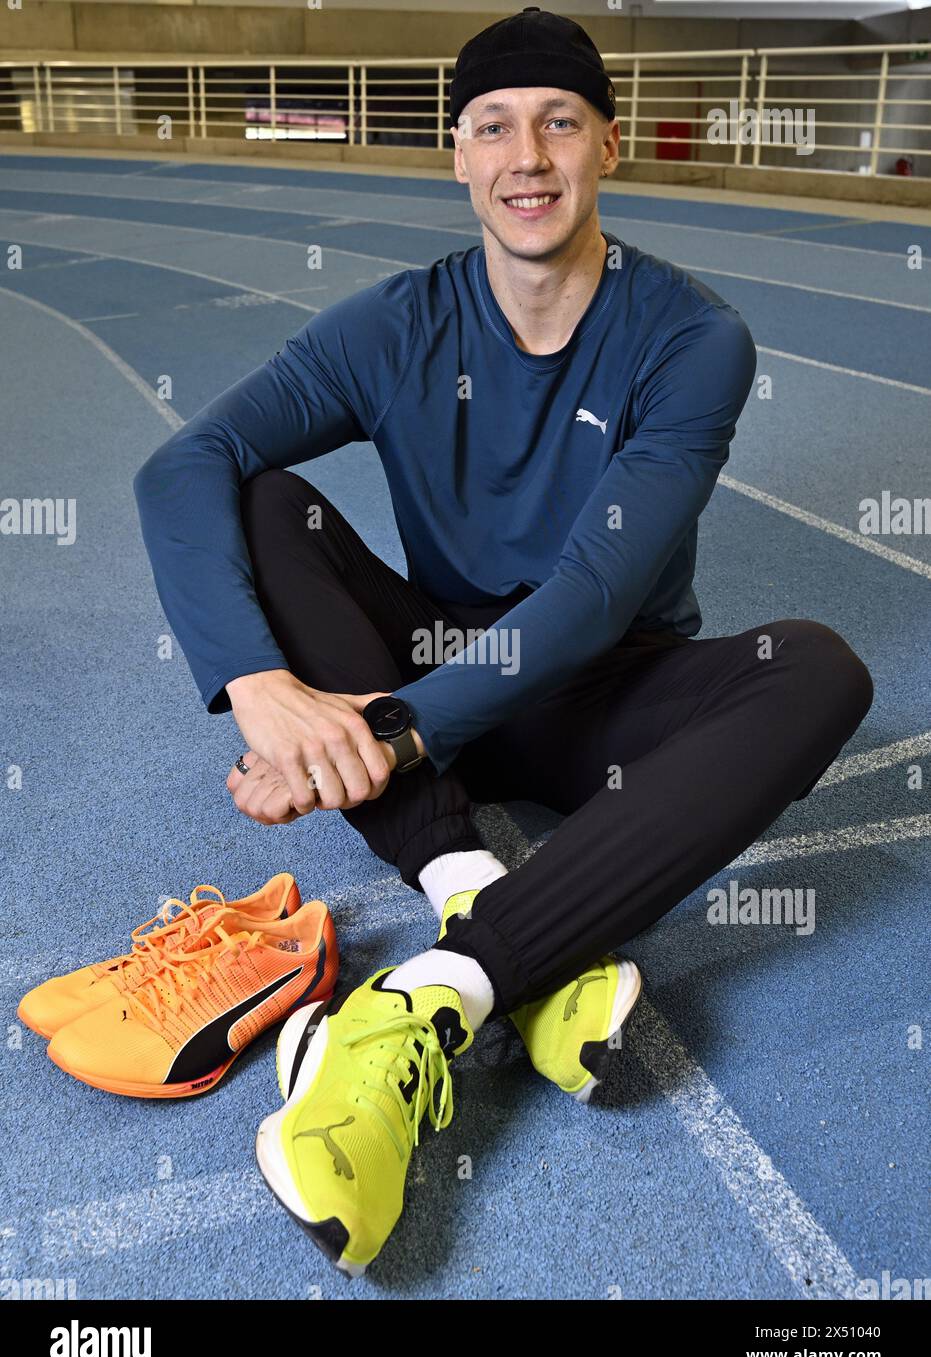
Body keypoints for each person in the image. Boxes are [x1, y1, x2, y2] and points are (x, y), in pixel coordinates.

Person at [133, 7, 873, 1276]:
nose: (526, 153)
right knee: (258, 500)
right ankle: (481, 902)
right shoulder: (394, 325)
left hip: (601, 701)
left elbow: (587, 596)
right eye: (494, 127)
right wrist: (260, 689)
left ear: (607, 147)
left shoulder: (693, 339)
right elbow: (180, 464)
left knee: (817, 669)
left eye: (558, 122)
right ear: (458, 160)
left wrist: (382, 730)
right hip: (428, 668)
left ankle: (439, 994)